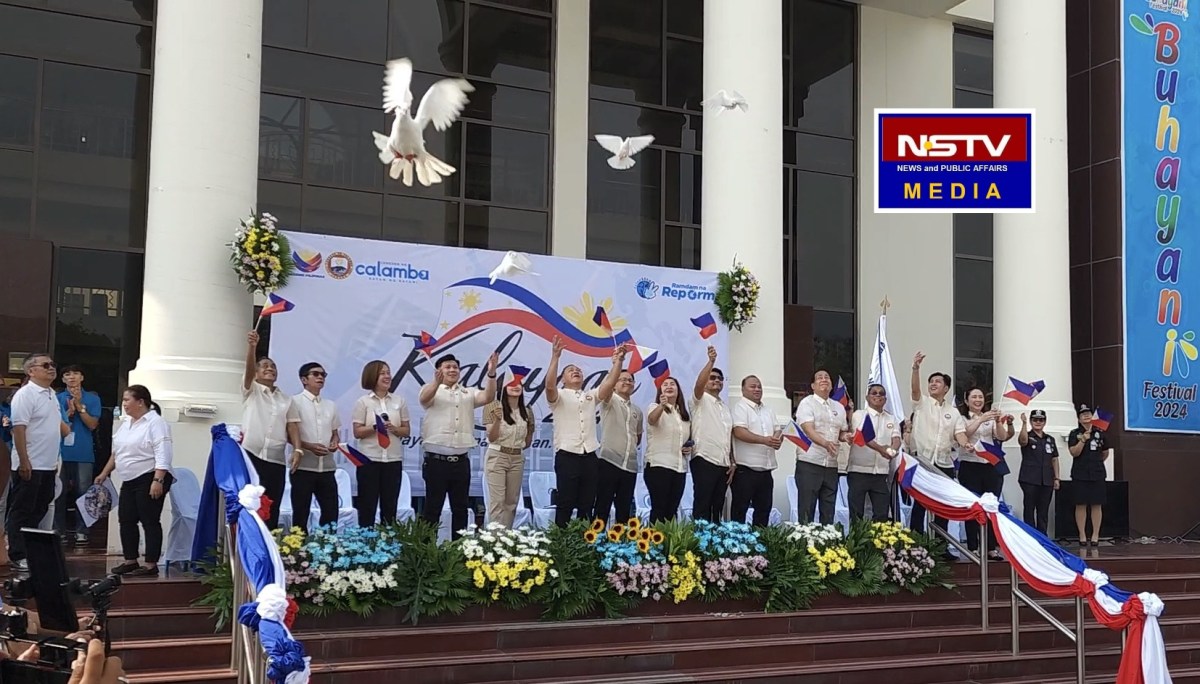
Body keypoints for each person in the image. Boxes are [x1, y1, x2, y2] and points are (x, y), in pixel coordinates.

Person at [96, 385, 173, 577]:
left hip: (149, 475)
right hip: (129, 478)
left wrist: (158, 479)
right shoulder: (126, 423)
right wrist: (104, 473)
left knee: (149, 520)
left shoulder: (156, 423)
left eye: (127, 400)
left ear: (141, 402)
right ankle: (130, 560)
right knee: (126, 519)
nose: (124, 404)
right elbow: (117, 452)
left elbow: (163, 452)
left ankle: (150, 563)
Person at [545, 338, 622, 526]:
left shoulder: (590, 395)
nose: (576, 371)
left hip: (589, 455)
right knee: (565, 503)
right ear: (563, 379)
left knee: (587, 504)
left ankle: (583, 546)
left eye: (578, 370)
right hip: (567, 455)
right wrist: (555, 357)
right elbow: (549, 386)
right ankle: (561, 545)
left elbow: (609, 384)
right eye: (570, 370)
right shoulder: (559, 396)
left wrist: (618, 362)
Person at [419, 352, 497, 539]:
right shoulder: (430, 389)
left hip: (461, 462)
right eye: (448, 367)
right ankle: (425, 554)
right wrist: (436, 383)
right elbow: (424, 400)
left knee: (460, 509)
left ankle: (458, 553)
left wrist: (492, 373)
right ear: (439, 371)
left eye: (455, 367)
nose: (452, 370)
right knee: (432, 509)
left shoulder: (468, 393)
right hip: (436, 461)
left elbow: (488, 397)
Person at [8, 353, 69, 573]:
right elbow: (19, 428)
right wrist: (24, 460)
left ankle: (31, 551)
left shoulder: (52, 394)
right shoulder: (26, 394)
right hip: (30, 463)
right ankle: (17, 554)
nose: (51, 368)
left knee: (40, 508)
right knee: (22, 510)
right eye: (45, 365)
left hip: (48, 464)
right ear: (31, 371)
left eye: (53, 364)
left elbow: (58, 425)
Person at [908, 352, 968, 536]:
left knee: (943, 505)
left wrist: (967, 445)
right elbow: (915, 390)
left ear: (946, 388)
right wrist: (916, 368)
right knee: (921, 503)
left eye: (938, 381)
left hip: (944, 463)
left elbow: (960, 434)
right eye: (931, 381)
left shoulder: (954, 412)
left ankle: (941, 546)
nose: (933, 384)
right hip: (923, 461)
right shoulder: (922, 403)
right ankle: (916, 544)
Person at [240, 330, 292, 530]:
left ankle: (271, 550)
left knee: (273, 505)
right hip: (252, 454)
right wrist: (252, 347)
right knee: (252, 504)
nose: (269, 369)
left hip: (276, 458)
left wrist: (296, 448)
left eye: (273, 366)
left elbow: (291, 426)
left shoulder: (285, 400)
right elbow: (248, 372)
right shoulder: (251, 390)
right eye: (264, 366)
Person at [351, 360, 410, 528]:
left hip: (393, 460)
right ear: (372, 376)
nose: (387, 376)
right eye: (383, 373)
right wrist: (376, 427)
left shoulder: (399, 401)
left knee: (390, 507)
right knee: (367, 506)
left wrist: (394, 428)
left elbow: (406, 431)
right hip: (369, 460)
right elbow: (357, 432)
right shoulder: (363, 402)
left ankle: (387, 545)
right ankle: (365, 545)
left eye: (388, 372)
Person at [956, 387, 1013, 559]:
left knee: (990, 506)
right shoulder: (962, 418)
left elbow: (1001, 437)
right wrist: (980, 419)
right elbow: (964, 434)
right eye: (974, 397)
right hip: (970, 465)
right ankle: (972, 546)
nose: (978, 400)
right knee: (973, 506)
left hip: (990, 466)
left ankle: (990, 547)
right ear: (967, 401)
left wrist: (998, 422)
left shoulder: (989, 417)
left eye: (980, 396)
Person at [285, 362, 341, 533]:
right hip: (303, 467)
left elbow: (335, 432)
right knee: (301, 514)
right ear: (304, 379)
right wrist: (308, 446)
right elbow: (288, 434)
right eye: (315, 374)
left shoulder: (330, 405)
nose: (320, 378)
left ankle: (326, 551)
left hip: (327, 468)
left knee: (331, 513)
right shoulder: (293, 402)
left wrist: (334, 442)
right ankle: (298, 554)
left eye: (323, 375)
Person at [795, 370, 848, 524]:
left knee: (828, 509)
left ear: (831, 385)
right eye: (820, 377)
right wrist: (825, 443)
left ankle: (827, 545)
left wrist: (847, 437)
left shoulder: (839, 407)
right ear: (813, 385)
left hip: (831, 465)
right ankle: (804, 545)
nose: (824, 379)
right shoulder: (807, 403)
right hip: (810, 462)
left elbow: (841, 432)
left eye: (827, 377)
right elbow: (808, 429)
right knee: (807, 510)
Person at [56, 365, 101, 544]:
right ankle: (58, 530)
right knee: (58, 493)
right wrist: (69, 412)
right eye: (67, 374)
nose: (72, 377)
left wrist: (80, 407)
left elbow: (92, 425)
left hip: (83, 452)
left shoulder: (92, 398)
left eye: (75, 373)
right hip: (60, 451)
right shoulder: (56, 398)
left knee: (83, 492)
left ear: (82, 377)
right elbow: (55, 425)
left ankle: (82, 531)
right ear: (63, 380)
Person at [730, 375, 783, 526]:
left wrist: (777, 439)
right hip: (745, 470)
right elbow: (739, 432)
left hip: (766, 469)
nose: (757, 389)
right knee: (740, 512)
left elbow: (778, 430)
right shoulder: (740, 407)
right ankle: (736, 546)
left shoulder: (768, 410)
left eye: (759, 386)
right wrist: (764, 440)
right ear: (743, 389)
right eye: (752, 386)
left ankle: (759, 545)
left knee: (763, 512)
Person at [483, 374, 534, 528]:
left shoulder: (527, 410)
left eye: (519, 383)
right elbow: (491, 437)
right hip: (497, 455)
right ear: (503, 387)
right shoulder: (492, 406)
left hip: (517, 457)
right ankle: (494, 542)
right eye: (511, 383)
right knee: (497, 502)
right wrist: (498, 420)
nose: (516, 386)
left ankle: (506, 540)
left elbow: (527, 441)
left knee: (511, 503)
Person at [689, 345, 733, 522]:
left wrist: (732, 461)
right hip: (704, 458)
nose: (717, 381)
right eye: (712, 377)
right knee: (703, 504)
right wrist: (711, 361)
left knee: (717, 506)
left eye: (720, 379)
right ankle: (699, 544)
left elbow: (728, 436)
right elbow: (699, 384)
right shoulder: (700, 400)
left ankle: (715, 546)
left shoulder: (725, 407)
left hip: (723, 462)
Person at [594, 362, 641, 525]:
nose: (627, 382)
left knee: (624, 509)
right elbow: (606, 387)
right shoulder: (609, 400)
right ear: (614, 384)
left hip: (630, 465)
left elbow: (638, 436)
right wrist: (617, 363)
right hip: (609, 461)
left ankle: (621, 547)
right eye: (622, 379)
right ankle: (595, 544)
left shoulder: (637, 410)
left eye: (630, 380)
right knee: (602, 507)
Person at [846, 384, 902, 522]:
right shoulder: (859, 415)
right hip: (859, 470)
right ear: (867, 397)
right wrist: (882, 449)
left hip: (881, 472)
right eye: (874, 393)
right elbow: (863, 436)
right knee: (857, 512)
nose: (878, 395)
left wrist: (893, 450)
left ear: (885, 399)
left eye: (881, 393)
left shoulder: (891, 418)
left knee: (882, 513)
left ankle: (878, 543)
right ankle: (858, 542)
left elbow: (896, 438)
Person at [644, 377, 691, 523]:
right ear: (660, 391)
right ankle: (654, 543)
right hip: (659, 465)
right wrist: (661, 405)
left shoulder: (684, 416)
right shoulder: (654, 406)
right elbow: (652, 420)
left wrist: (687, 447)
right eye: (665, 385)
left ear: (678, 391)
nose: (669, 386)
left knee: (672, 510)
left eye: (672, 384)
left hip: (679, 468)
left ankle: (668, 544)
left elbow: (686, 438)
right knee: (659, 509)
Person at [1068, 404, 1108, 547]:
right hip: (1080, 474)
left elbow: (1104, 452)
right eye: (1083, 414)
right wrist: (1083, 440)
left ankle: (1095, 535)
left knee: (1097, 504)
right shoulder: (1074, 433)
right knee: (1081, 504)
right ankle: (1082, 535)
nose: (1086, 416)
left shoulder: (1100, 433)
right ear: (1079, 419)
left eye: (1088, 413)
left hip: (1097, 473)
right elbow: (1074, 452)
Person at [1017, 409, 1059, 535]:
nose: (1038, 422)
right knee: (1029, 509)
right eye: (1035, 419)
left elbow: (1055, 459)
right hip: (1030, 479)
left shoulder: (1050, 439)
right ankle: (1030, 537)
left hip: (1046, 480)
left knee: (1043, 511)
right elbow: (1022, 441)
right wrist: (1024, 424)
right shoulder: (1028, 436)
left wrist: (1057, 478)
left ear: (1045, 422)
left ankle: (1042, 537)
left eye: (1041, 420)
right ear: (1031, 421)